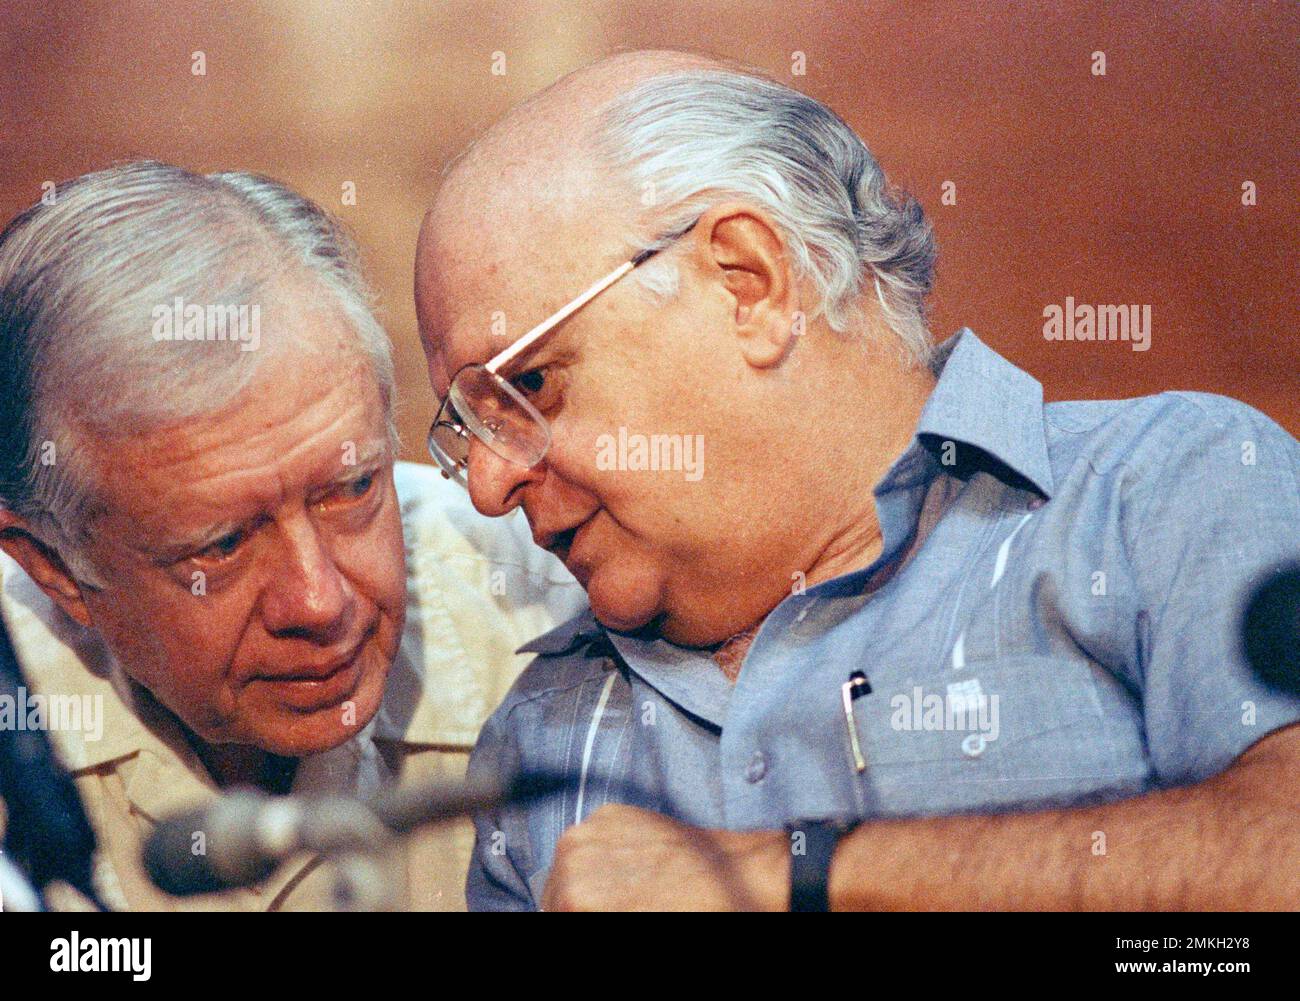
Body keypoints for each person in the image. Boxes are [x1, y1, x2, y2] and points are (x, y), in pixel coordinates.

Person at [413, 51, 1300, 910]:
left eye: (528, 385)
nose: (487, 485)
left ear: (748, 284)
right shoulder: (537, 734)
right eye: (470, 427)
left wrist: (791, 878)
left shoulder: (1166, 488)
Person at [0, 160, 584, 910]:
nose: (320, 600)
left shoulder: (555, 606)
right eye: (222, 545)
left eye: (351, 489)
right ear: (53, 568)